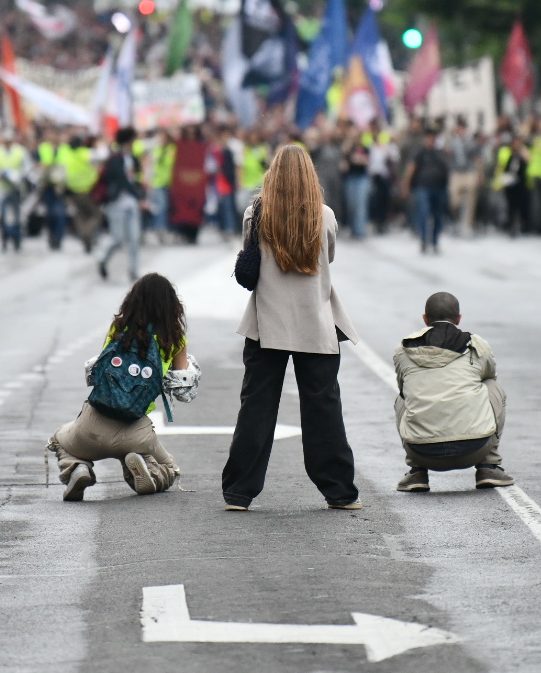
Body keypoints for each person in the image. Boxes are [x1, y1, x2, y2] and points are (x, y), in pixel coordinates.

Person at [222, 145, 362, 512]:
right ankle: (339, 491)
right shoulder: (325, 215)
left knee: (256, 407)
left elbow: (249, 261)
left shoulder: (257, 213)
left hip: (266, 323)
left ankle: (239, 490)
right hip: (314, 321)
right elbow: (328, 255)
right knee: (323, 410)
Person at [48, 273, 196, 501]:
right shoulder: (175, 339)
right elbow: (185, 391)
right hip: (137, 431)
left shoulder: (118, 330)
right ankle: (148, 472)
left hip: (93, 423)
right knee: (170, 469)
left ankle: (77, 467)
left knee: (60, 437)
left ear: (133, 300)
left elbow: (97, 373)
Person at [391, 291, 513, 491]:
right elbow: (489, 375)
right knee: (492, 386)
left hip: (420, 450)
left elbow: (403, 387)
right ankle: (488, 466)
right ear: (458, 318)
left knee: (403, 396)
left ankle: (417, 472)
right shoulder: (476, 345)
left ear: (425, 318)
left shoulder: (403, 349)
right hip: (475, 449)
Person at [96, 127, 146, 282]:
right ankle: (103, 259)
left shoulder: (132, 157)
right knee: (117, 239)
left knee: (134, 238)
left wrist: (139, 193)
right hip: (116, 203)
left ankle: (133, 270)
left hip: (131, 204)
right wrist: (138, 196)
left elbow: (136, 177)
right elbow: (122, 181)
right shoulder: (114, 158)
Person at [405, 128, 451, 254]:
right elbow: (411, 168)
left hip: (439, 187)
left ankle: (435, 241)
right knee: (424, 213)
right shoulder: (419, 152)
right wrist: (406, 185)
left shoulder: (440, 153)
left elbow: (447, 167)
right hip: (423, 186)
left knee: (438, 216)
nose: (431, 140)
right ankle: (424, 240)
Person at [446, 118, 482, 235]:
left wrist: (480, 173)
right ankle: (456, 220)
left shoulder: (471, 142)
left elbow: (477, 158)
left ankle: (468, 225)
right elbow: (445, 151)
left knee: (471, 199)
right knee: (454, 200)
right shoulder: (452, 141)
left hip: (469, 172)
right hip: (456, 173)